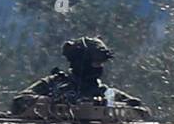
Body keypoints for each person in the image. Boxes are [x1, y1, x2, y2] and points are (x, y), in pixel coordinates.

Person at [11, 37, 145, 114]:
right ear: (81, 61)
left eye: (100, 63)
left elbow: (142, 111)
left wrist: (110, 106)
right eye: (94, 63)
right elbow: (18, 102)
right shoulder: (53, 84)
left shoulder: (106, 93)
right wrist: (52, 102)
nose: (98, 67)